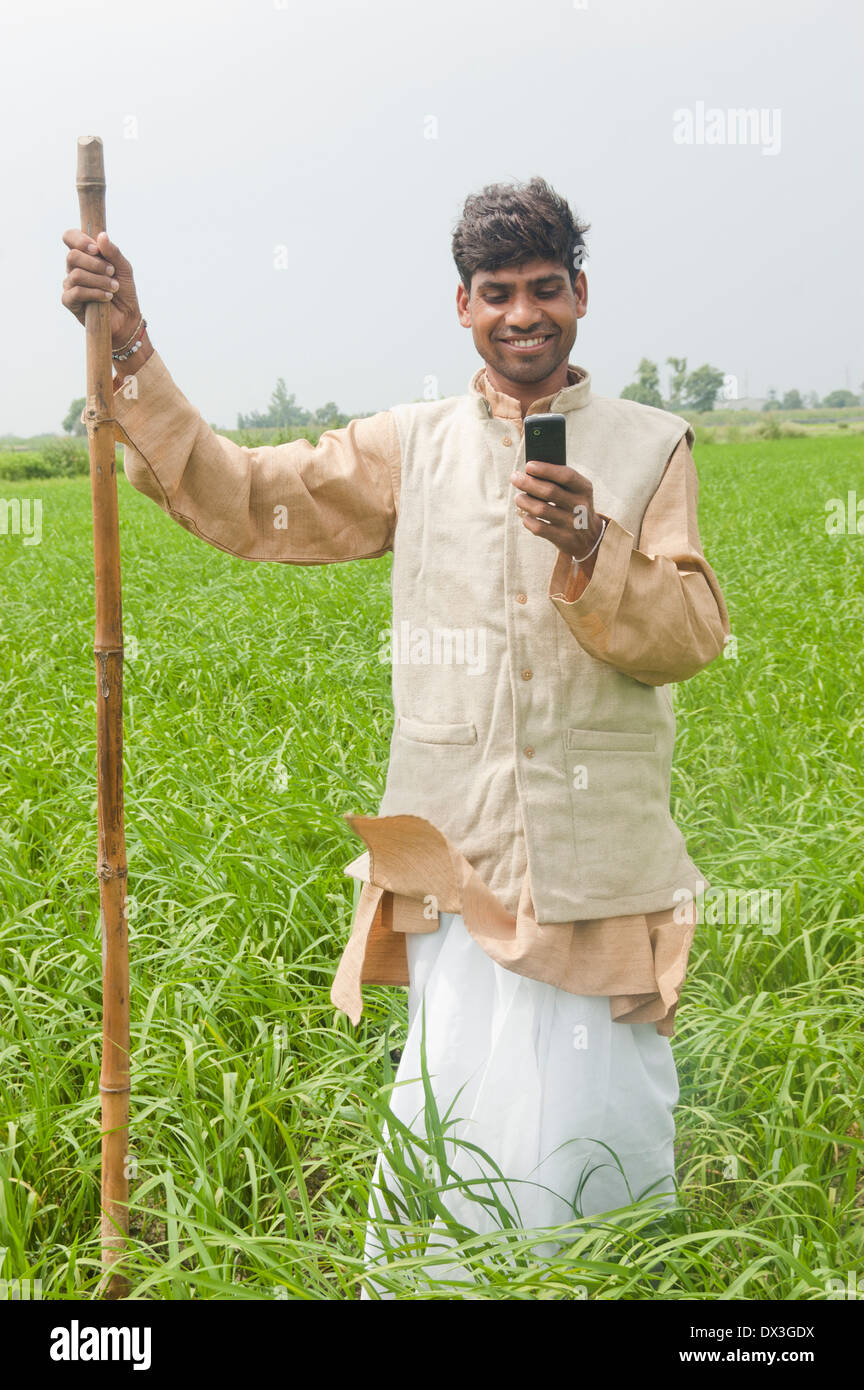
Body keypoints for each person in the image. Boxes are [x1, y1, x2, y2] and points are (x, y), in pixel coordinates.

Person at [61, 176, 729, 1296]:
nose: (525, 314)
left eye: (546, 289)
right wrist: (132, 351)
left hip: (596, 863)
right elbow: (245, 493)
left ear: (582, 294)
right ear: (463, 307)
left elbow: (693, 632)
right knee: (459, 1127)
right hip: (458, 862)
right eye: (498, 293)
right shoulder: (410, 448)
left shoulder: (652, 446)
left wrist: (588, 544)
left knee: (595, 1134)